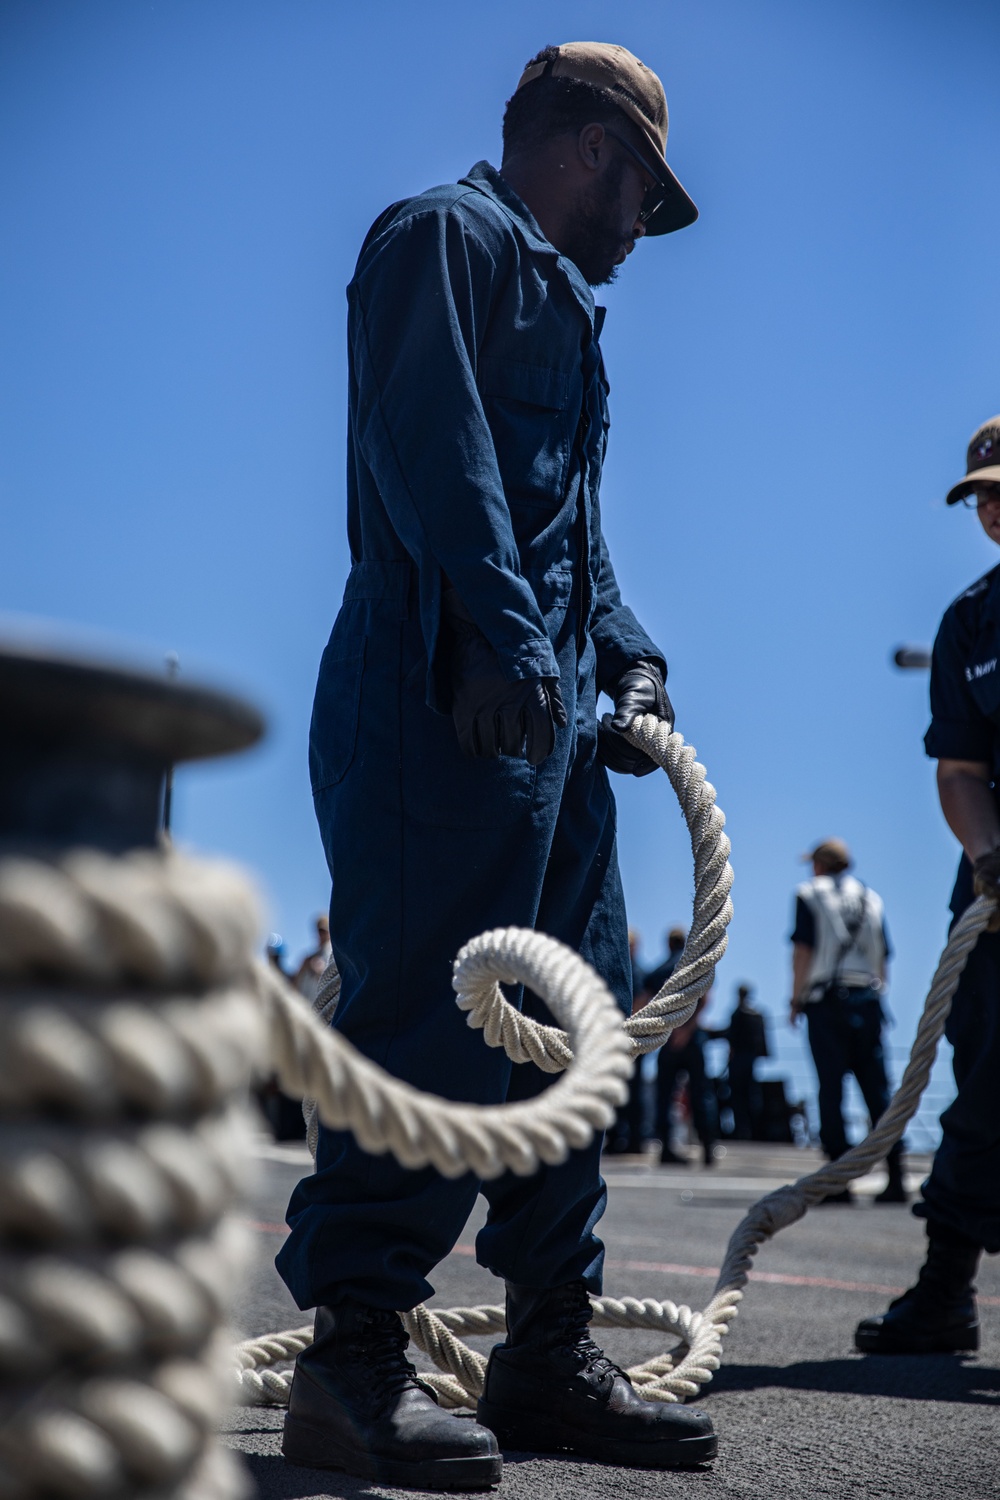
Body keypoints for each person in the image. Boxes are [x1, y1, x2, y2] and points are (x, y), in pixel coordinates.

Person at [277, 42, 716, 1487]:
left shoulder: (563, 313)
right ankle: (349, 1362)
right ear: (594, 149)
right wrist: (501, 636)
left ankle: (546, 1352)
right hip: (441, 696)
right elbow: (434, 441)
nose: (640, 233)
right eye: (645, 198)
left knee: (567, 1032)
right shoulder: (443, 240)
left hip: (551, 722)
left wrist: (627, 650)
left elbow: (565, 528)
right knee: (426, 1015)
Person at [856, 417, 1000, 1355]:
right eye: (982, 494)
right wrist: (989, 860)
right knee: (985, 1074)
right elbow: (959, 769)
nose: (992, 507)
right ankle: (946, 1288)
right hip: (996, 887)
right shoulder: (970, 622)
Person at [789, 839, 904, 1205]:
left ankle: (838, 1181)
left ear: (820, 865)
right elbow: (883, 956)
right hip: (868, 999)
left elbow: (803, 949)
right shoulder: (872, 899)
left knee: (831, 1089)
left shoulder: (809, 894)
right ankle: (896, 1175)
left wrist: (796, 998)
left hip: (827, 1001)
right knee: (878, 1092)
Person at [644, 928, 718, 1166]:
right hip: (693, 1039)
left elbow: (645, 1002)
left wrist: (671, 1031)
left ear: (667, 944)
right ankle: (708, 1149)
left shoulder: (659, 971)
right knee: (701, 1093)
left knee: (665, 1094)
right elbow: (706, 999)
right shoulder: (695, 968)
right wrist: (687, 1030)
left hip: (668, 1039)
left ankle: (665, 1149)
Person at [605, 928, 648, 1153]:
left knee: (629, 1092)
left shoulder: (633, 971)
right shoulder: (632, 969)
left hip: (628, 1038)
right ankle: (623, 1137)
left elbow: (641, 1000)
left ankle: (631, 1139)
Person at [719, 984, 768, 1140]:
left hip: (739, 1061)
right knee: (752, 1096)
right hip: (751, 1060)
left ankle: (742, 1131)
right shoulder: (757, 1014)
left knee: (739, 1097)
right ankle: (755, 1131)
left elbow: (731, 1039)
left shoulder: (738, 1014)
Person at [294, 913, 333, 1005]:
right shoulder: (310, 957)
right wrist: (303, 968)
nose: (320, 934)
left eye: (323, 931)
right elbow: (295, 985)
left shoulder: (334, 956)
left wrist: (319, 971)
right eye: (319, 931)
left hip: (325, 1008)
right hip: (308, 1006)